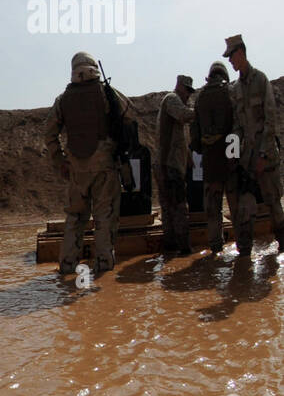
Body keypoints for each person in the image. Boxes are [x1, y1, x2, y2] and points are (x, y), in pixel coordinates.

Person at [43, 53, 134, 278]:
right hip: (104, 166)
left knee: (75, 218)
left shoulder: (63, 99)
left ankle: (67, 268)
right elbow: (130, 116)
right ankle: (103, 269)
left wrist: (60, 161)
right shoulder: (107, 93)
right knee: (104, 218)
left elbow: (49, 134)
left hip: (76, 169)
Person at [224, 34, 284, 253]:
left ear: (240, 53)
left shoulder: (261, 80)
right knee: (246, 210)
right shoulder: (236, 89)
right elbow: (237, 127)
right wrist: (233, 154)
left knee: (274, 207)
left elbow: (271, 121)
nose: (230, 61)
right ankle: (245, 259)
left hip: (266, 160)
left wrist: (262, 156)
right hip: (248, 163)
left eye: (231, 56)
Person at [194, 61, 236, 254]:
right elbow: (237, 128)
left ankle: (215, 250)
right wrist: (236, 158)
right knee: (235, 207)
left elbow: (194, 138)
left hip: (210, 162)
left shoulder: (200, 97)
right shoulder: (230, 93)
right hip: (229, 159)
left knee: (213, 210)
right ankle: (243, 250)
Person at [155, 75, 196, 255]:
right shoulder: (172, 100)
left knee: (169, 208)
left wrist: (189, 160)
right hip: (169, 166)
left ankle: (170, 249)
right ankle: (184, 248)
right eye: (187, 90)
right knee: (178, 207)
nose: (188, 95)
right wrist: (200, 110)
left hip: (168, 165)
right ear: (179, 87)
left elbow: (179, 139)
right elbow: (183, 115)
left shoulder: (174, 103)